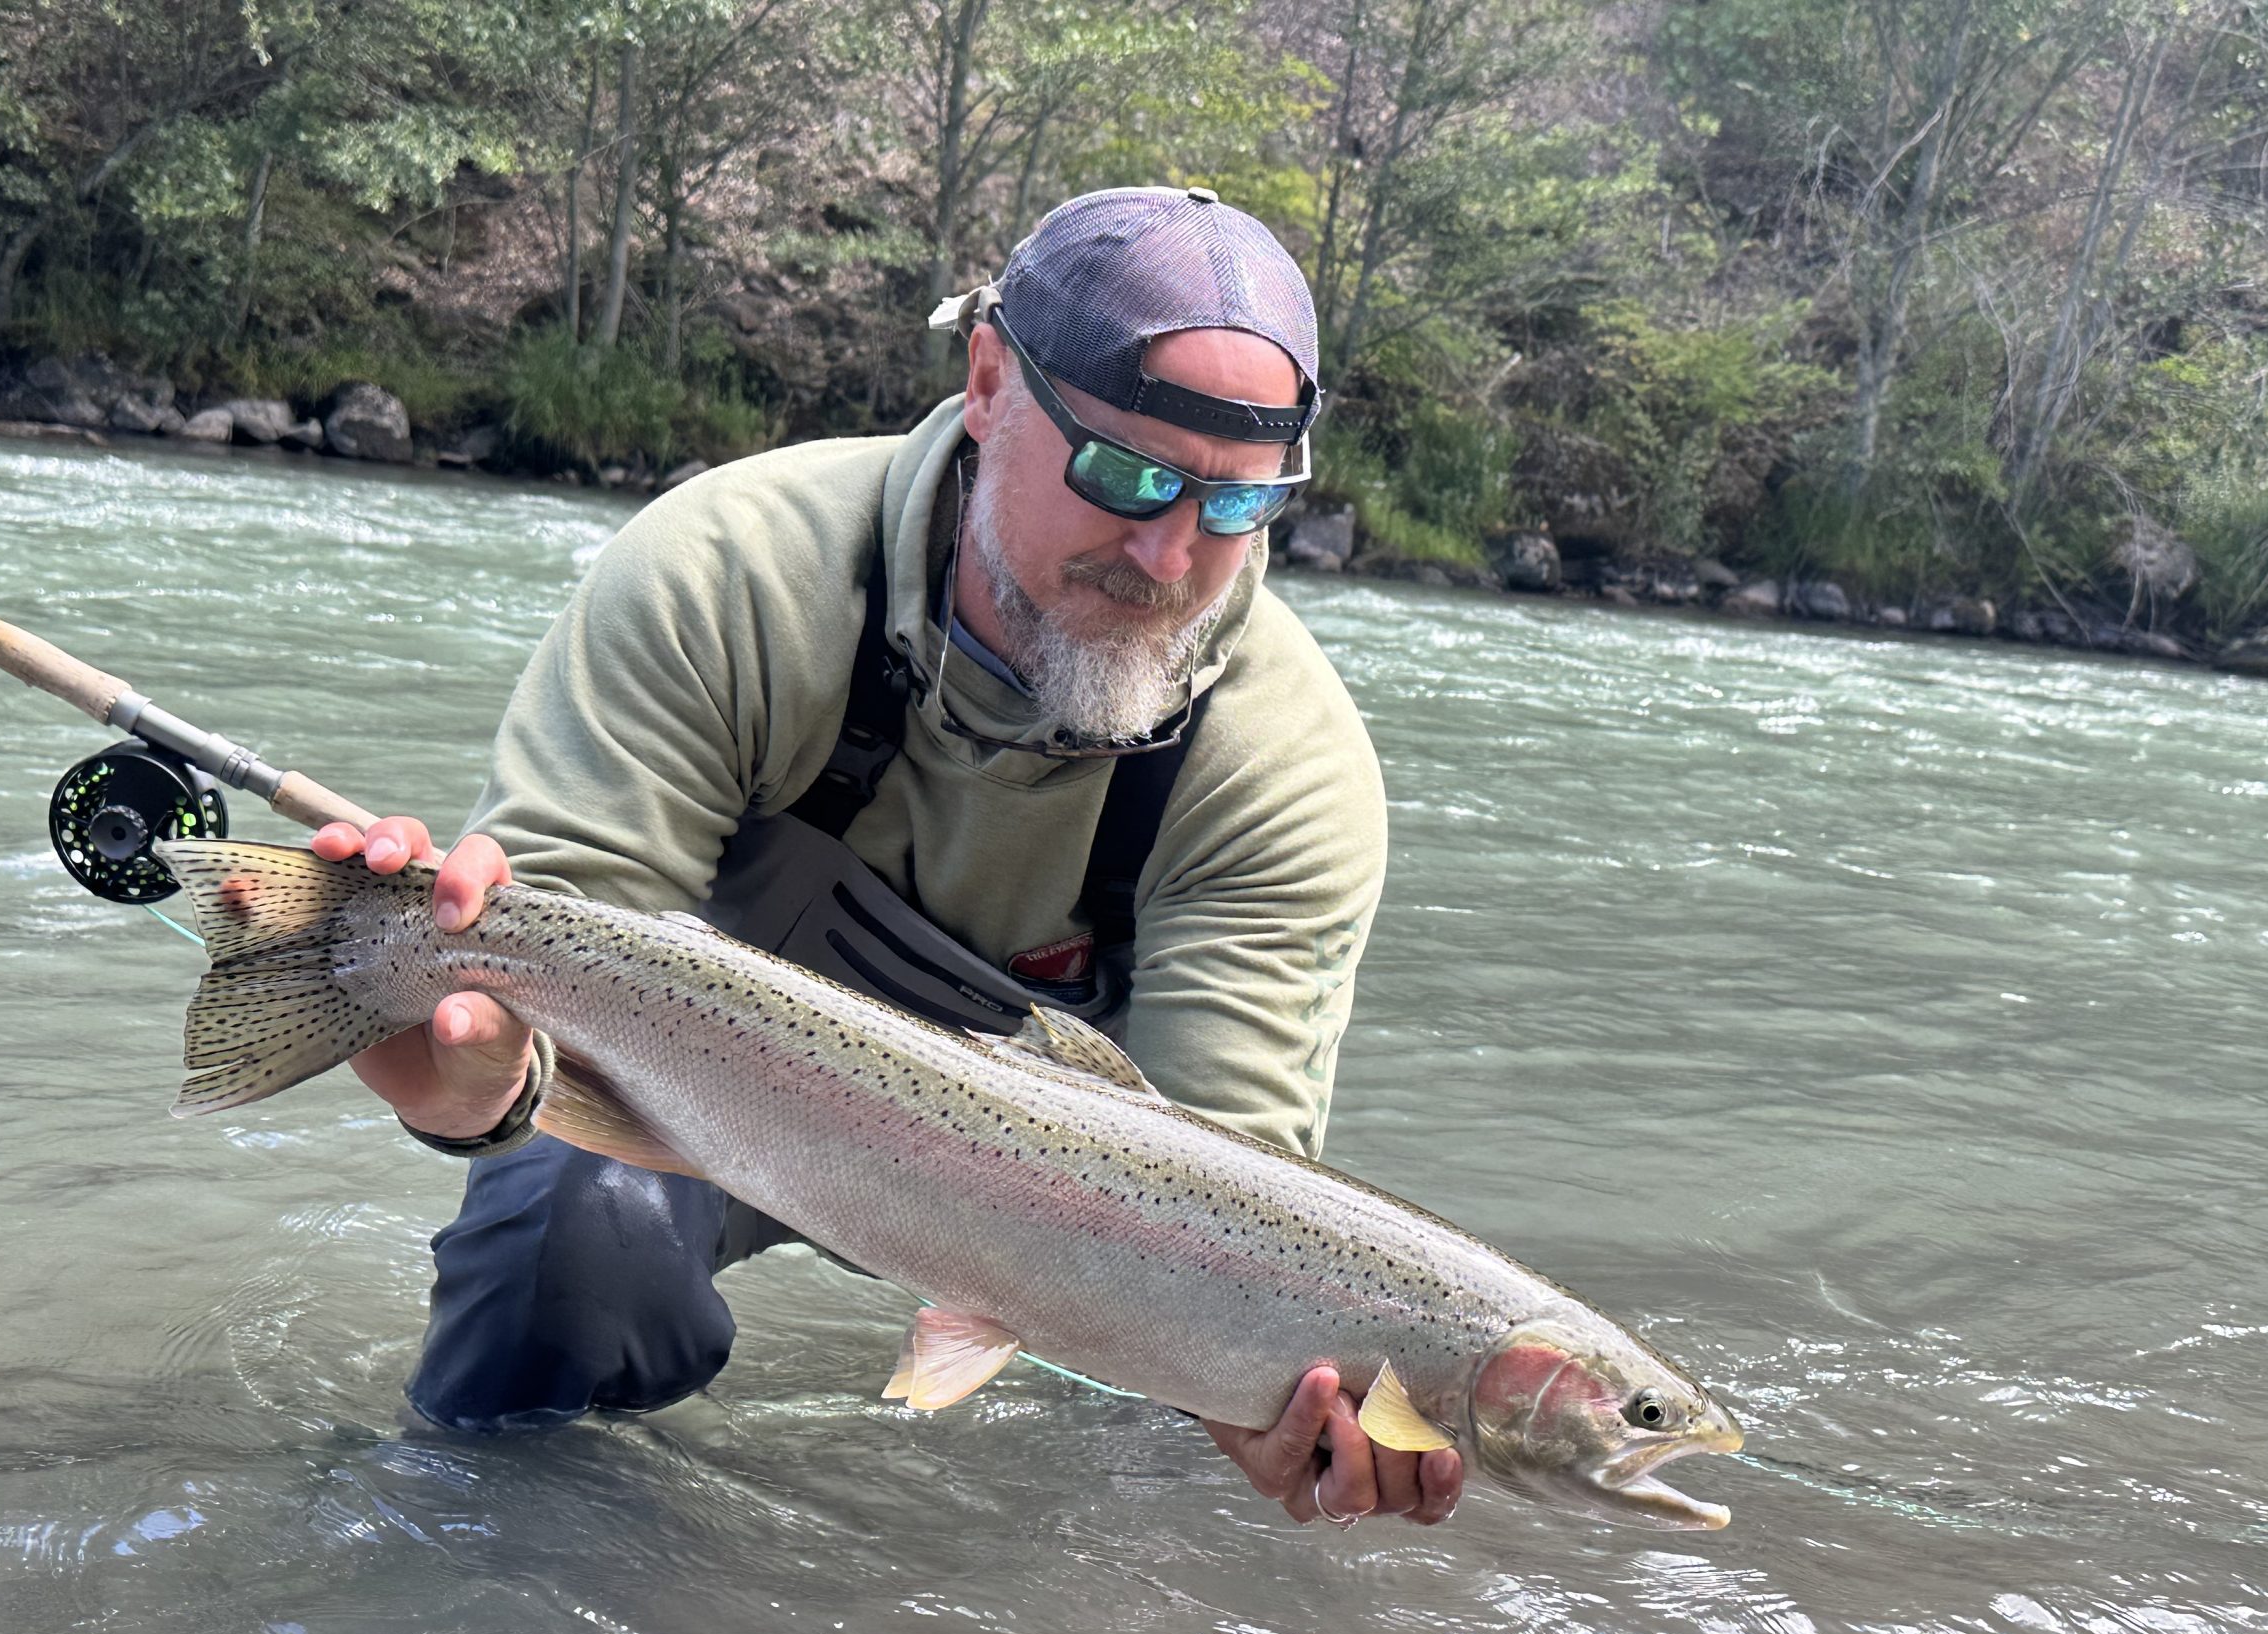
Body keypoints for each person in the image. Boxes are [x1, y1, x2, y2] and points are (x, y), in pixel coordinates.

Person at [315, 186, 1464, 1528]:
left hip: (1069, 1217)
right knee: (566, 1249)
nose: (1167, 554)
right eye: (1129, 476)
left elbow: (1229, 1188)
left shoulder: (1290, 769)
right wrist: (477, 1091)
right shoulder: (731, 572)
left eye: (1235, 504)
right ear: (987, 384)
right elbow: (563, 965)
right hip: (710, 1098)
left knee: (1156, 1474)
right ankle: (488, 1584)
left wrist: (1250, 1402)